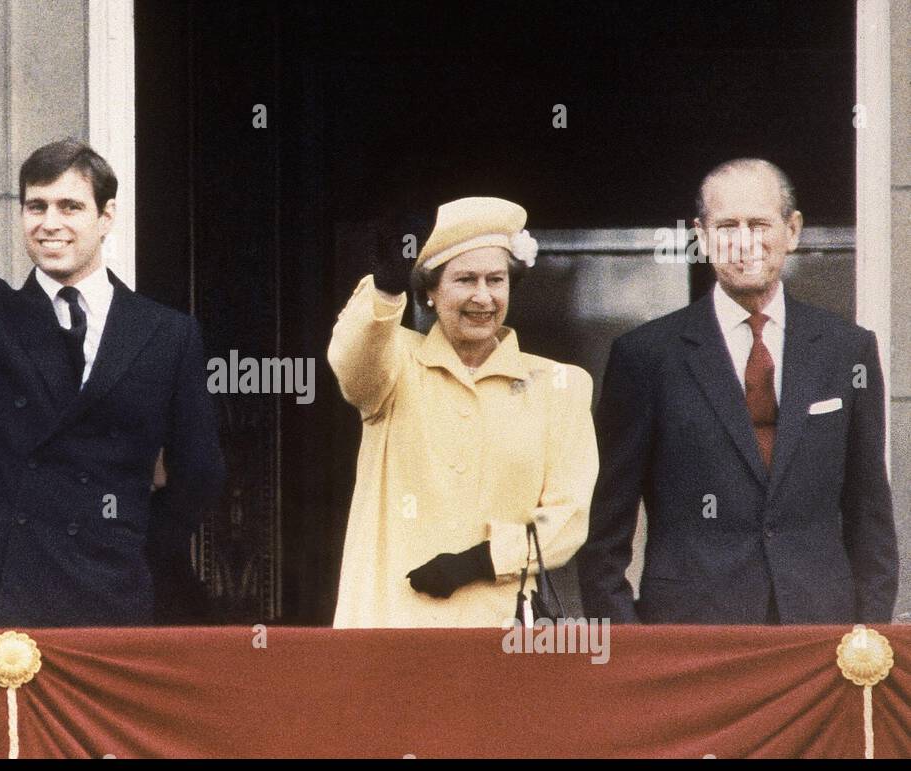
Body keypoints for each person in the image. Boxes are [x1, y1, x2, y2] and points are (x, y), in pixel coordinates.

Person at [0, 68, 224, 627]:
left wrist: (125, 540)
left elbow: (199, 472)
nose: (49, 223)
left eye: (70, 207)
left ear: (106, 218)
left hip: (107, 593)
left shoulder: (166, 335)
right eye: (35, 207)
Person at [577, 158, 899, 624]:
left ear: (792, 230)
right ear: (702, 236)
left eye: (759, 224)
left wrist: (869, 635)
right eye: (727, 225)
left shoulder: (848, 350)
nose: (744, 241)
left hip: (820, 637)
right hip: (690, 641)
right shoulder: (645, 357)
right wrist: (631, 648)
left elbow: (870, 515)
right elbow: (603, 534)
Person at [328, 197, 598, 627]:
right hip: (392, 623)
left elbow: (568, 519)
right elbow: (352, 359)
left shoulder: (560, 386)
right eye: (465, 280)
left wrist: (484, 560)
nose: (483, 296)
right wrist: (385, 288)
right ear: (430, 293)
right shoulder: (394, 364)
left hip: (500, 625)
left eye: (496, 280)